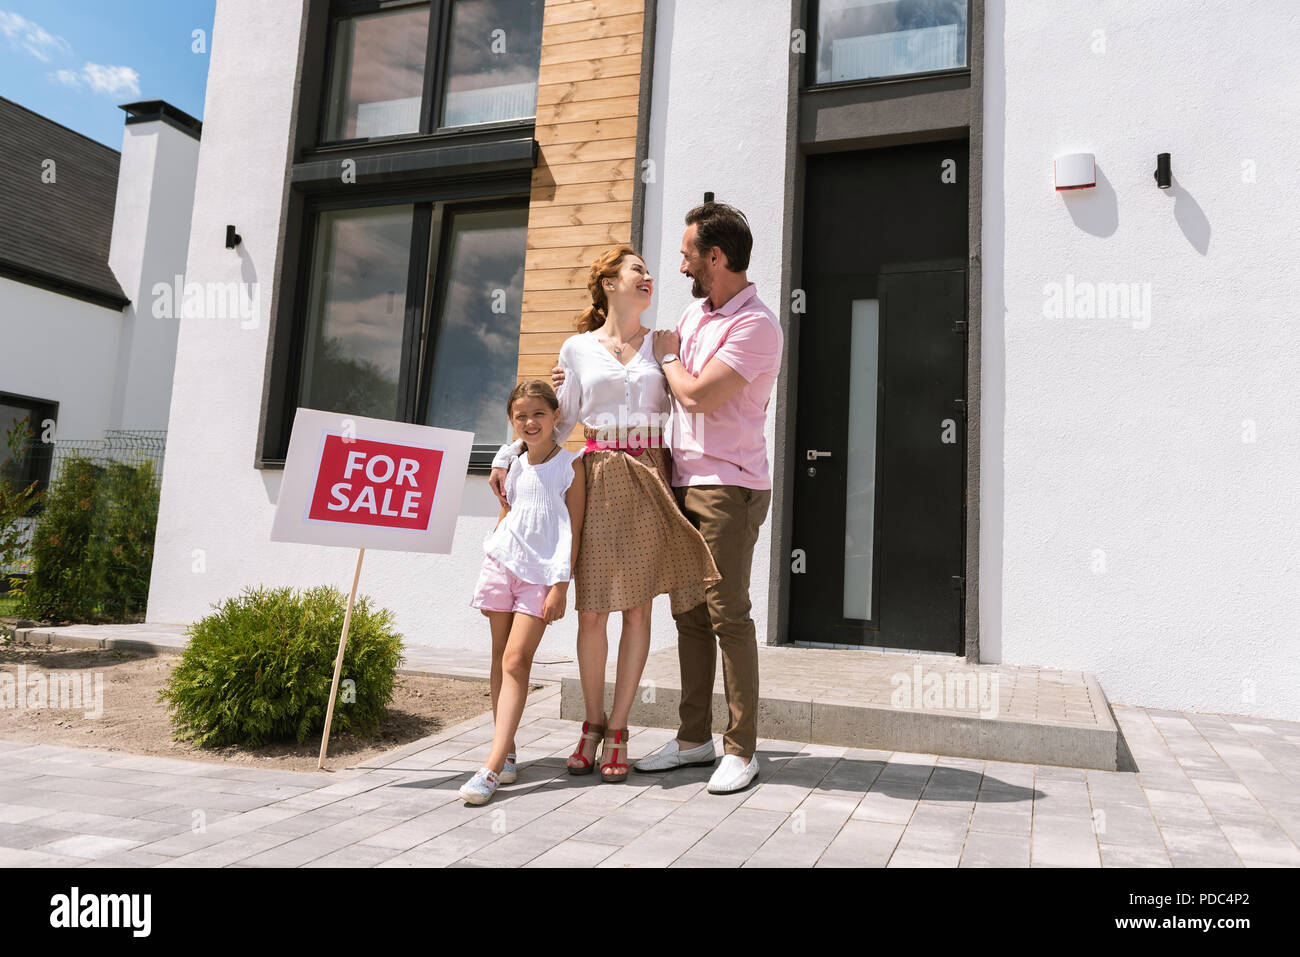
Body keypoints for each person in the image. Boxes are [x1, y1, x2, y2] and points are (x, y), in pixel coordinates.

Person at [488, 245, 720, 783]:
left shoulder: (666, 344)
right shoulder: (576, 349)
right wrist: (507, 455)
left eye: (648, 272)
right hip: (594, 476)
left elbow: (691, 405)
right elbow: (558, 421)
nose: (648, 277)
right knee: (592, 611)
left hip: (648, 473)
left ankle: (619, 728)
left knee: (638, 612)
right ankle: (591, 724)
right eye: (637, 269)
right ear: (609, 283)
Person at [634, 201, 783, 795]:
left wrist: (668, 355)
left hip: (730, 487)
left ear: (715, 257)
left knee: (728, 615)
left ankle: (741, 749)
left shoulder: (756, 326)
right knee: (688, 614)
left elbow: (694, 396)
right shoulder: (697, 317)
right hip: (682, 480)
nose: (680, 267)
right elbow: (655, 385)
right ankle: (693, 740)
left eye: (688, 255)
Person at [460, 380, 585, 805]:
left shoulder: (571, 465)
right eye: (520, 416)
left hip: (541, 575)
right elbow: (508, 511)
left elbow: (575, 531)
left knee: (517, 659)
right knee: (499, 657)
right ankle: (508, 751)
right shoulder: (511, 462)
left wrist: (560, 586)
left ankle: (491, 767)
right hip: (503, 562)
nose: (530, 422)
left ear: (555, 417)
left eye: (538, 414)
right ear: (512, 422)